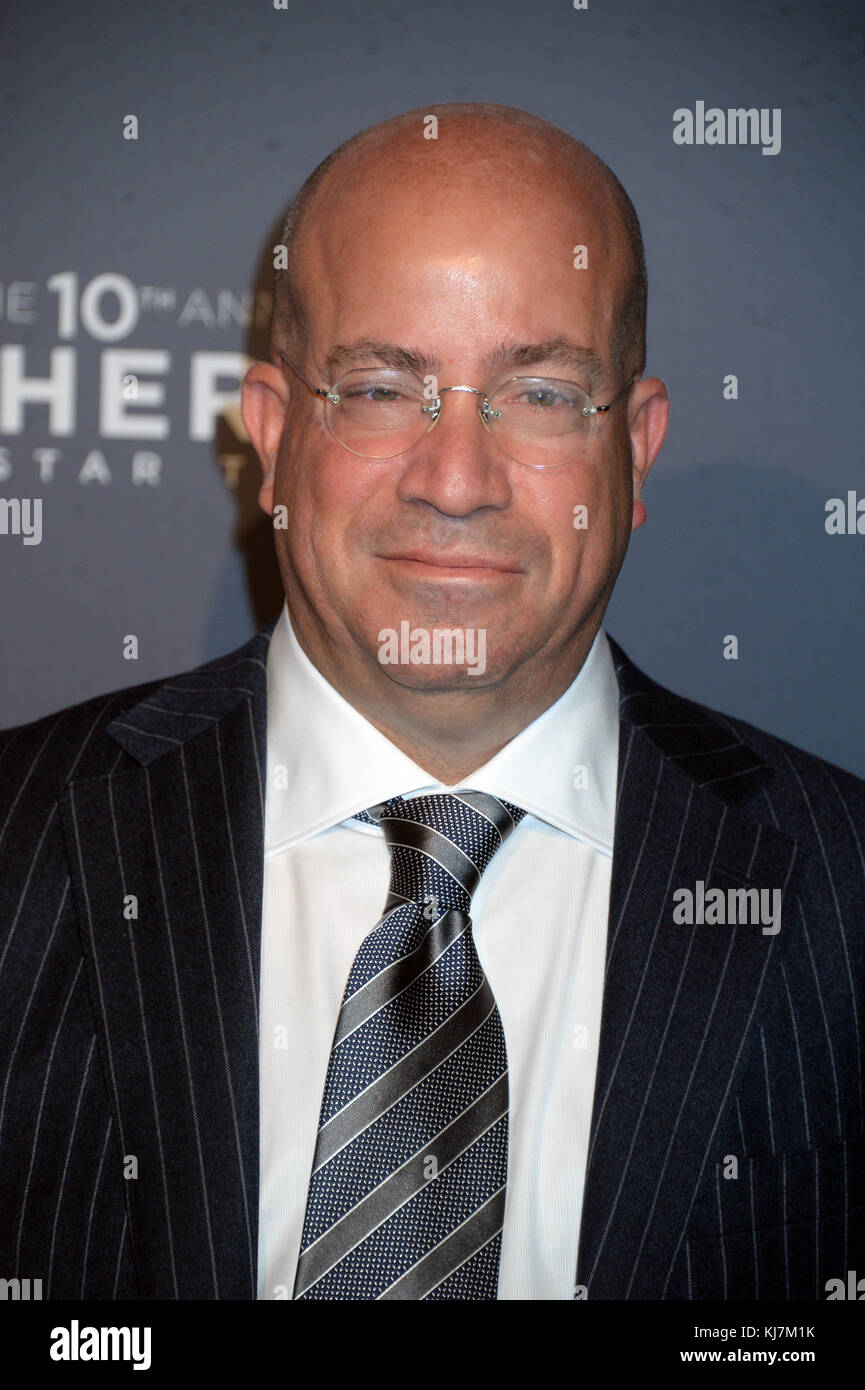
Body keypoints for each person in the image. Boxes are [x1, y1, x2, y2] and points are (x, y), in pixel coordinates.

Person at [0, 103, 862, 1302]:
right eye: (378, 387)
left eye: (545, 393)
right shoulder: (20, 841)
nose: (455, 481)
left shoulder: (841, 892)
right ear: (269, 435)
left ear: (638, 451)